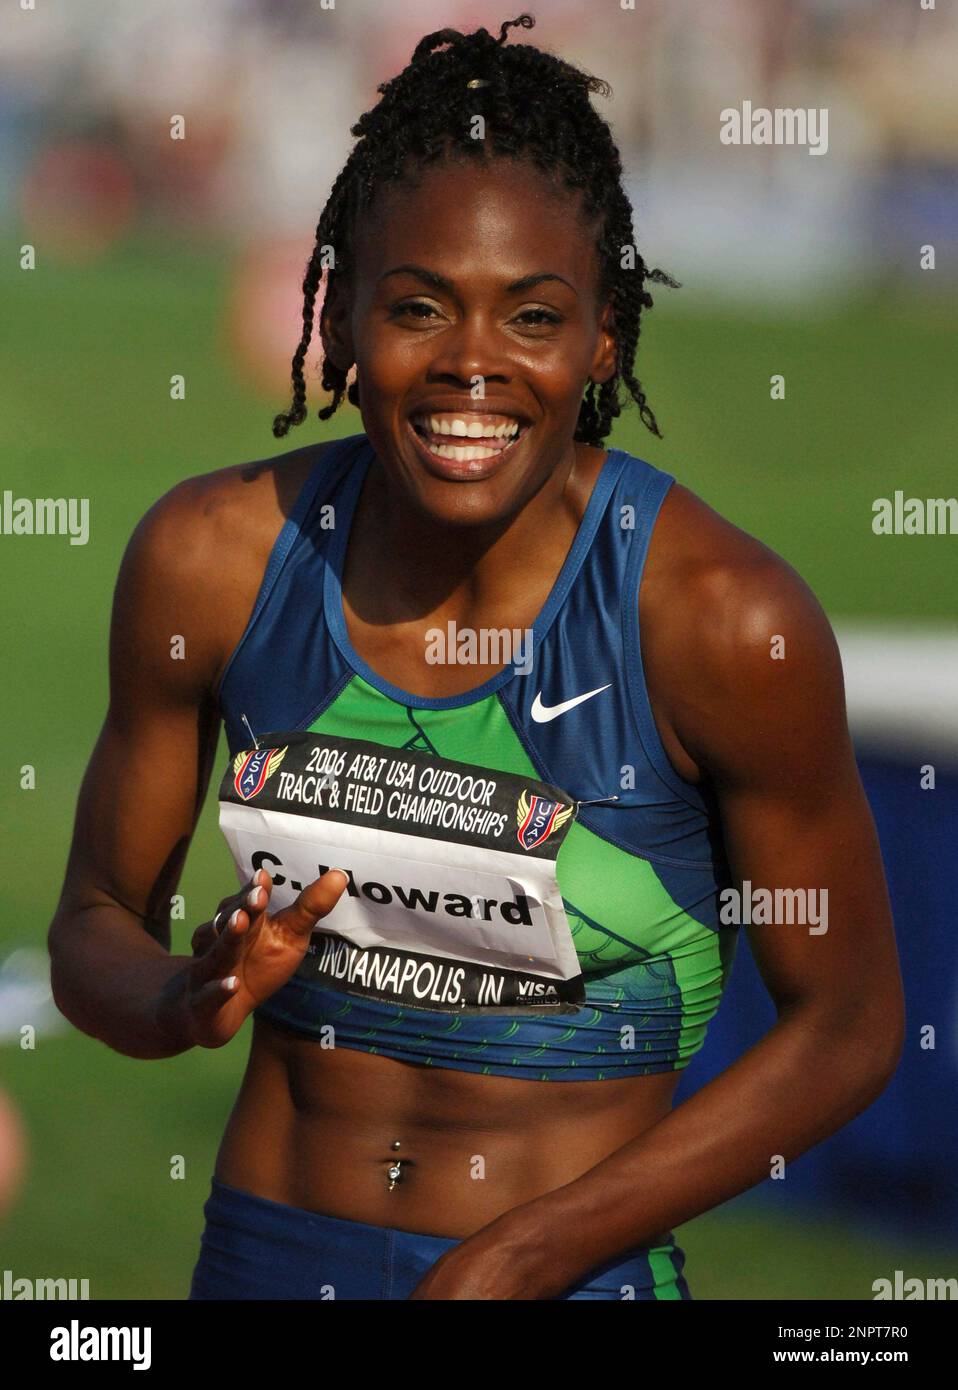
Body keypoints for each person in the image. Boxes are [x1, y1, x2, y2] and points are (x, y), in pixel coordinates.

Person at [48, 15, 904, 1300]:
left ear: (604, 335)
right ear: (335, 315)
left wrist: (529, 1249)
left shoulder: (723, 623)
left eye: (534, 316)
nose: (471, 367)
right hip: (265, 1258)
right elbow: (91, 927)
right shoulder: (211, 560)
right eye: (417, 308)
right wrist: (187, 995)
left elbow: (850, 1022)